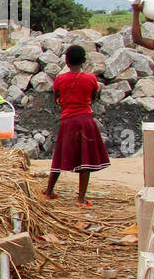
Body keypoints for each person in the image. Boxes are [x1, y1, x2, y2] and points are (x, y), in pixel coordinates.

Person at [44, 44, 109, 206]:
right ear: (83, 61)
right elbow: (93, 97)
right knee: (84, 157)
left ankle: (49, 191)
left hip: (67, 120)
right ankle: (80, 198)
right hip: (85, 120)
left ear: (66, 61)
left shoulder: (60, 79)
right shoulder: (90, 79)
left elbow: (56, 98)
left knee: (59, 156)